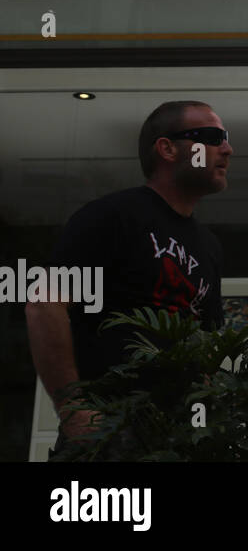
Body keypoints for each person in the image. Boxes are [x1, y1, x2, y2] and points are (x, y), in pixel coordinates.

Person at [26, 100, 232, 448]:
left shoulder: (208, 245)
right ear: (166, 148)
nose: (227, 148)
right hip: (112, 430)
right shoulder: (113, 216)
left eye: (225, 138)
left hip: (179, 436)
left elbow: (206, 347)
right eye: (211, 137)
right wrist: (72, 409)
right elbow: (45, 303)